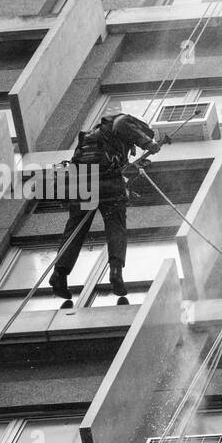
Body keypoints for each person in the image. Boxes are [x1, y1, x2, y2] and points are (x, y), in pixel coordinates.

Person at [49, 113, 164, 306]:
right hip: (107, 183)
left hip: (82, 182)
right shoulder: (122, 121)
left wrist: (132, 165)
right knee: (116, 225)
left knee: (75, 228)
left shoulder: (94, 138)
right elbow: (122, 124)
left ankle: (59, 273)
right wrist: (148, 143)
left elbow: (116, 161)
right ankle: (116, 271)